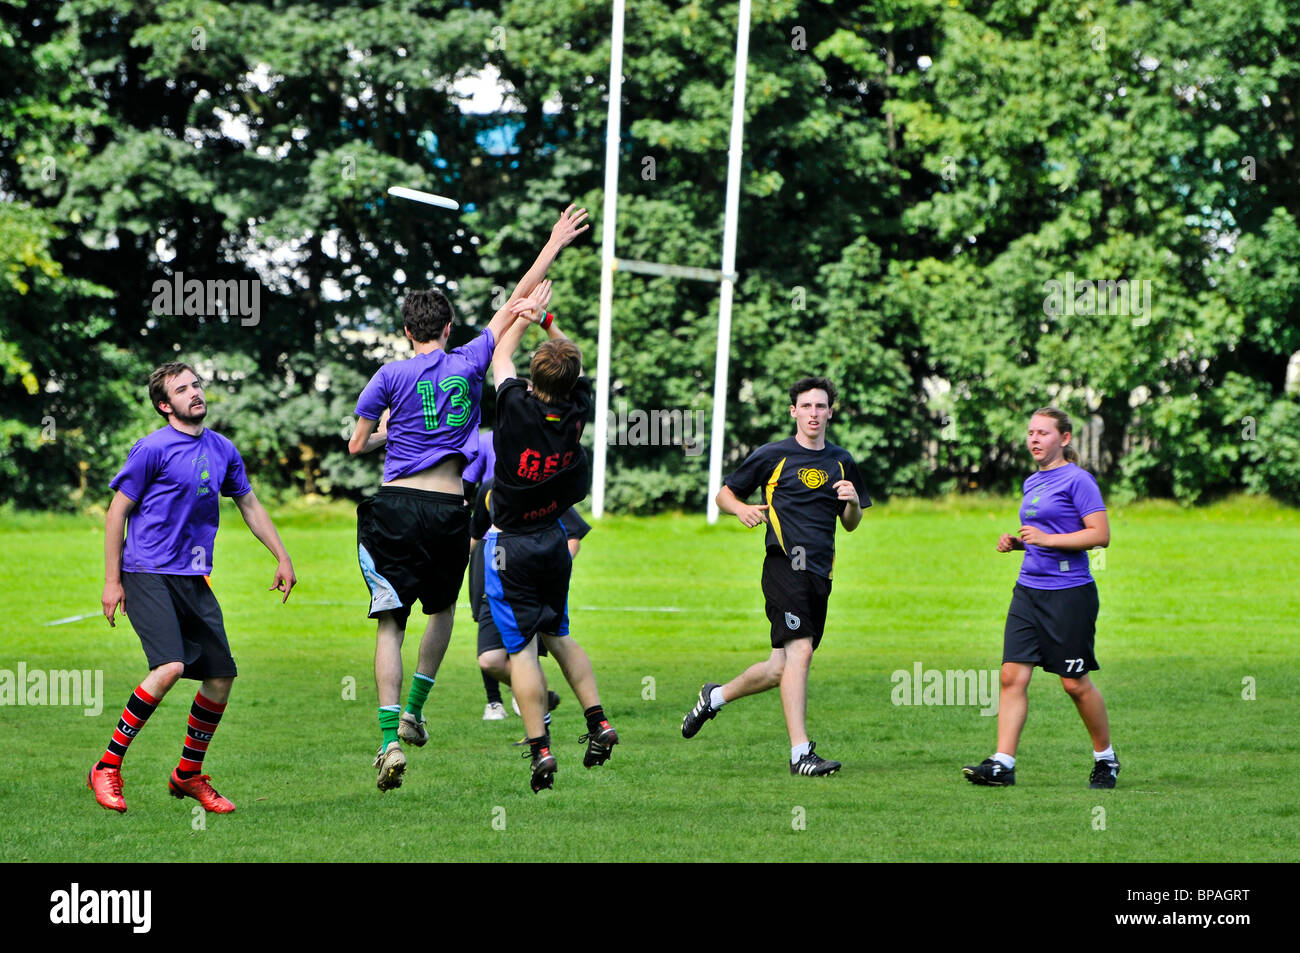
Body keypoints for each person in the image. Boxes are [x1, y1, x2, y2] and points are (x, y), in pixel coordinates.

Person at [348, 205, 589, 792]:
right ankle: (416, 710)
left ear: (409, 331)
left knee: (389, 624)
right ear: (449, 327)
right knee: (444, 611)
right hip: (452, 510)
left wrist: (388, 432)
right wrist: (554, 241)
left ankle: (386, 742)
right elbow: (516, 303)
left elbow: (358, 445)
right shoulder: (472, 359)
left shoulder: (388, 376)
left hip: (397, 506)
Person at [91, 362, 296, 814]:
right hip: (145, 570)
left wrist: (281, 556)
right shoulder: (151, 449)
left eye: (196, 385)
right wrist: (112, 581)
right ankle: (106, 766)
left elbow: (248, 502)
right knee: (169, 667)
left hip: (193, 575)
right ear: (166, 405)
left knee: (221, 677)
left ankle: (187, 774)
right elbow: (115, 513)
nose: (194, 393)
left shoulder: (223, 449)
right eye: (182, 389)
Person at [681, 377, 866, 776]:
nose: (814, 413)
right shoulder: (772, 455)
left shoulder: (841, 460)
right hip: (784, 564)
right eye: (806, 406)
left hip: (821, 572)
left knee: (779, 668)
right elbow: (724, 494)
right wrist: (742, 509)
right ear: (793, 411)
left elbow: (851, 523)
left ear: (830, 412)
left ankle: (714, 698)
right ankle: (801, 753)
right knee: (801, 652)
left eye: (821, 406)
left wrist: (852, 503)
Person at [485, 279, 617, 792]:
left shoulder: (516, 408)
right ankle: (598, 721)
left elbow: (499, 352)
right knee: (559, 635)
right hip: (554, 541)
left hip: (511, 546)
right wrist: (545, 319)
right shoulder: (578, 408)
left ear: (535, 377)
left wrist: (519, 312)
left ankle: (540, 748)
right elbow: (569, 366)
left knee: (520, 650)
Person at [963, 408, 1118, 789]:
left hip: (1068, 594)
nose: (1034, 439)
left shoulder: (1079, 480)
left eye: (1043, 433)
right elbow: (1044, 533)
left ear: (1064, 439)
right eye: (1031, 432)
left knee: (1074, 683)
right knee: (1011, 676)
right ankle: (1003, 763)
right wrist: (1019, 544)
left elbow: (1100, 535)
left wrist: (1048, 540)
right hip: (1028, 590)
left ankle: (1105, 759)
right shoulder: (1032, 481)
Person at [467, 464, 590, 722]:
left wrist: (554, 569)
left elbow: (574, 535)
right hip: (491, 583)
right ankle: (526, 698)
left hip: (531, 586)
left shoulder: (543, 487)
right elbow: (475, 535)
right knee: (490, 659)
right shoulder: (490, 488)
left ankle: (539, 730)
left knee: (532, 652)